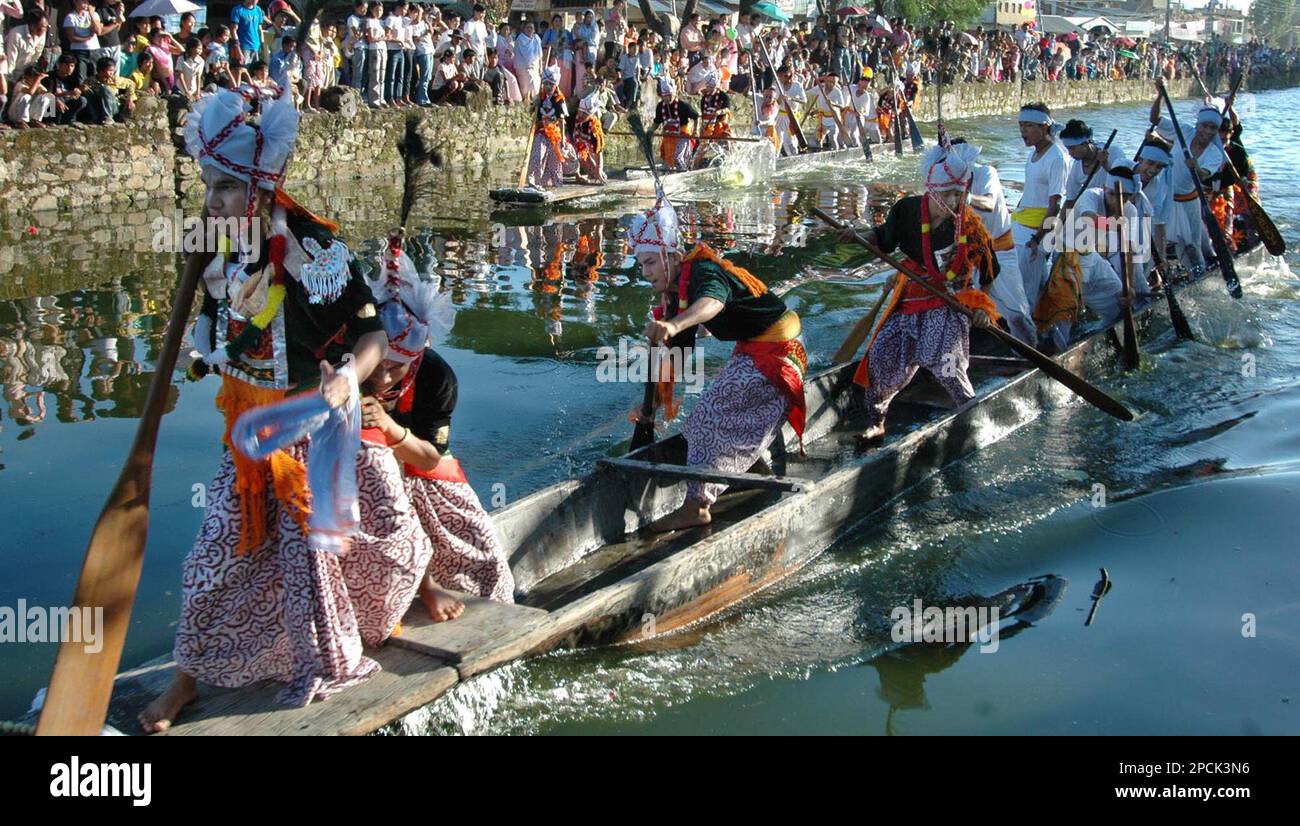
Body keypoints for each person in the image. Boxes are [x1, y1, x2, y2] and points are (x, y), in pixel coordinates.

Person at [139, 86, 390, 733]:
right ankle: (186, 681)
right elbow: (214, 328)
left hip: (305, 428)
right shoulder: (221, 243)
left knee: (309, 567)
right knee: (211, 558)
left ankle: (326, 665)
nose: (210, 201)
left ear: (255, 188)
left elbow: (372, 337)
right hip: (246, 437)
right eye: (207, 187)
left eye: (222, 188)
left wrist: (347, 383)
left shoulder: (310, 249)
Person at [358, 232, 515, 617]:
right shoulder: (354, 367)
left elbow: (429, 459)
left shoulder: (436, 376)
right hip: (367, 481)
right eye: (377, 363)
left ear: (416, 356)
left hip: (422, 466)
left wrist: (390, 429)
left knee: (486, 555)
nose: (382, 376)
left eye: (395, 366)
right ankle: (414, 589)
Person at [633, 198, 808, 532]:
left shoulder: (703, 271)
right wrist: (651, 406)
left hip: (778, 355)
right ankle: (751, 468)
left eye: (652, 262)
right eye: (642, 265)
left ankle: (697, 506)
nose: (646, 273)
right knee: (714, 412)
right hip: (754, 352)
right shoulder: (676, 296)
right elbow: (677, 359)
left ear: (672, 257)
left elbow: (712, 303)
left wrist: (673, 325)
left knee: (707, 416)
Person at [846, 144, 999, 445]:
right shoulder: (906, 211)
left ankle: (972, 415)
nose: (955, 202)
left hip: (950, 302)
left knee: (945, 363)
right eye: (948, 195)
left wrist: (984, 310)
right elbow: (883, 240)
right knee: (882, 358)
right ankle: (877, 422)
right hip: (912, 296)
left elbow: (990, 273)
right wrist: (857, 236)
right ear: (931, 190)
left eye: (959, 194)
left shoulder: (969, 225)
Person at [954, 137, 1034, 344]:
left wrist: (965, 198)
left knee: (1017, 312)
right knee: (968, 307)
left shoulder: (986, 173)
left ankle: (1033, 346)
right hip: (974, 253)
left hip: (1000, 249)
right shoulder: (947, 180)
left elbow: (988, 203)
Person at [1013, 103, 1070, 314]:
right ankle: (1046, 323)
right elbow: (1028, 194)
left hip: (1036, 232)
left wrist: (1037, 239)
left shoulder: (1056, 158)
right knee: (1033, 284)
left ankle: (1026, 338)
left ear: (1044, 127)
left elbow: (1055, 205)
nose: (1022, 131)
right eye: (1020, 125)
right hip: (1022, 225)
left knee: (1027, 290)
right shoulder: (1033, 154)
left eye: (1028, 125)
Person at [526, 65, 574, 188]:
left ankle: (554, 184)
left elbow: (562, 121)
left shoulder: (559, 100)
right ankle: (534, 181)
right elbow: (531, 111)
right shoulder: (540, 97)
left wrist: (562, 139)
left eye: (551, 84)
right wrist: (534, 104)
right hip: (541, 132)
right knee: (537, 156)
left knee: (554, 162)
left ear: (555, 85)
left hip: (555, 134)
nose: (548, 87)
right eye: (546, 84)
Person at [653, 76, 698, 172]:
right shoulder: (660, 106)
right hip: (668, 136)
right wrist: (649, 132)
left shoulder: (683, 106)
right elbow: (656, 122)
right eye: (665, 96)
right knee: (666, 161)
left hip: (682, 136)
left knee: (677, 158)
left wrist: (695, 131)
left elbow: (696, 117)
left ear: (675, 94)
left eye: (670, 95)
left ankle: (683, 172)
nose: (667, 98)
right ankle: (667, 173)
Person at [571, 89, 606, 183]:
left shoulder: (594, 129)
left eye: (585, 114)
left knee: (595, 173)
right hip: (572, 145)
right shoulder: (574, 117)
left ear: (590, 114)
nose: (581, 115)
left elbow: (598, 152)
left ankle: (595, 172)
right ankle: (577, 174)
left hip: (585, 150)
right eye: (580, 112)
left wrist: (598, 170)